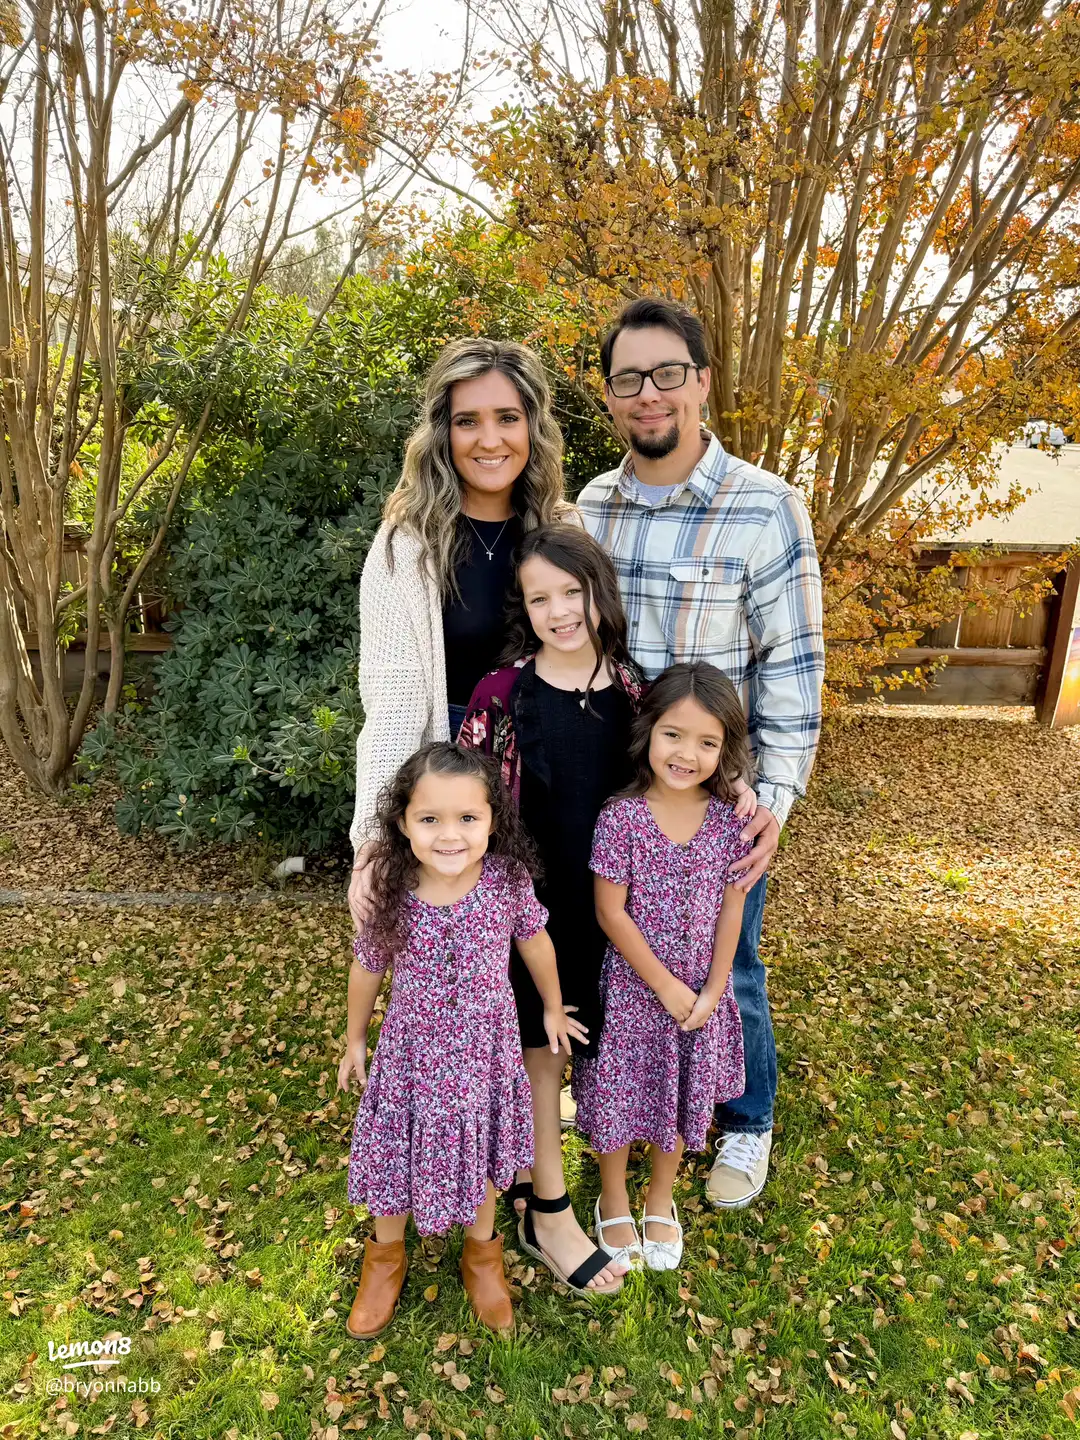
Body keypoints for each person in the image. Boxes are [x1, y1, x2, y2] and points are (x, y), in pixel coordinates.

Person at [578, 297, 825, 1210]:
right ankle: (619, 1104)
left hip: (718, 802)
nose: (650, 395)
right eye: (629, 379)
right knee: (617, 953)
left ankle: (746, 1122)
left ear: (703, 382)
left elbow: (795, 674)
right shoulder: (593, 507)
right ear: (609, 397)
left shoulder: (765, 508)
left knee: (733, 961)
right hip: (616, 798)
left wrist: (774, 807)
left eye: (668, 374)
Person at [337, 743, 586, 1337]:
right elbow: (367, 965)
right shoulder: (392, 888)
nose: (450, 835)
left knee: (479, 1155)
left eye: (468, 819)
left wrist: (552, 1006)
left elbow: (535, 943)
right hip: (410, 1057)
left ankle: (483, 1257)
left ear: (493, 820)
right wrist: (353, 1039)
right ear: (403, 824)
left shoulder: (504, 882)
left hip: (484, 1053)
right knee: (398, 1150)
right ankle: (384, 1258)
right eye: (430, 820)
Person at [459, 523, 648, 1294]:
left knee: (597, 1044)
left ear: (599, 593)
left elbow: (668, 784)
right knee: (542, 1045)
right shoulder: (501, 693)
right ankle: (548, 1207)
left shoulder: (638, 688)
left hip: (610, 903)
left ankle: (611, 1188)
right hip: (526, 903)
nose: (559, 610)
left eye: (572, 592)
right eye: (540, 598)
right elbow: (467, 801)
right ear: (525, 610)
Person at [348, 338, 569, 931]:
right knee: (468, 971)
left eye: (507, 418)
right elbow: (393, 704)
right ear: (442, 432)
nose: (489, 439)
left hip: (558, 772)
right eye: (467, 420)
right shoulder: (407, 546)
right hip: (454, 789)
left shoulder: (568, 532)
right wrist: (372, 840)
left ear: (533, 427)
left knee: (558, 958)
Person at [574, 663, 755, 1269]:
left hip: (701, 993)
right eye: (673, 734)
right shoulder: (620, 817)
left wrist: (709, 990)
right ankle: (614, 1194)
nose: (687, 753)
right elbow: (610, 912)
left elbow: (733, 911)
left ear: (727, 750)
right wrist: (666, 987)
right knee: (622, 1096)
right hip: (634, 989)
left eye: (708, 743)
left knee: (679, 1095)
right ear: (648, 731)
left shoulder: (732, 823)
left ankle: (660, 1195)